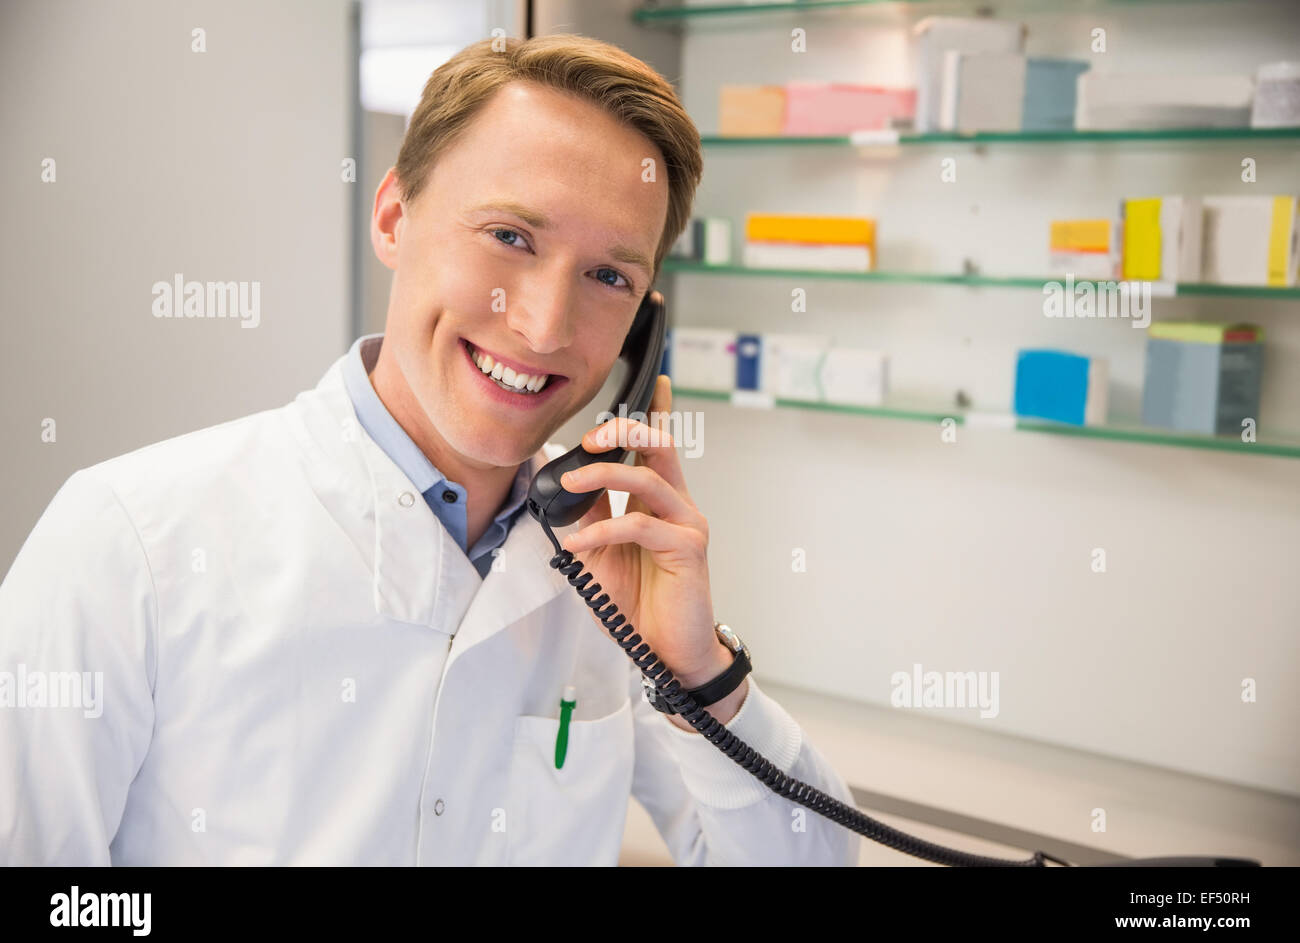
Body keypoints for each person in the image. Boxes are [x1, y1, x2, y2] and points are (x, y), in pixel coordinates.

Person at [0, 33, 858, 866]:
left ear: (645, 329)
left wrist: (700, 674)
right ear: (392, 218)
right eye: (510, 237)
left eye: (609, 278)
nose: (545, 325)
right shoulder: (128, 542)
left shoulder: (607, 578)